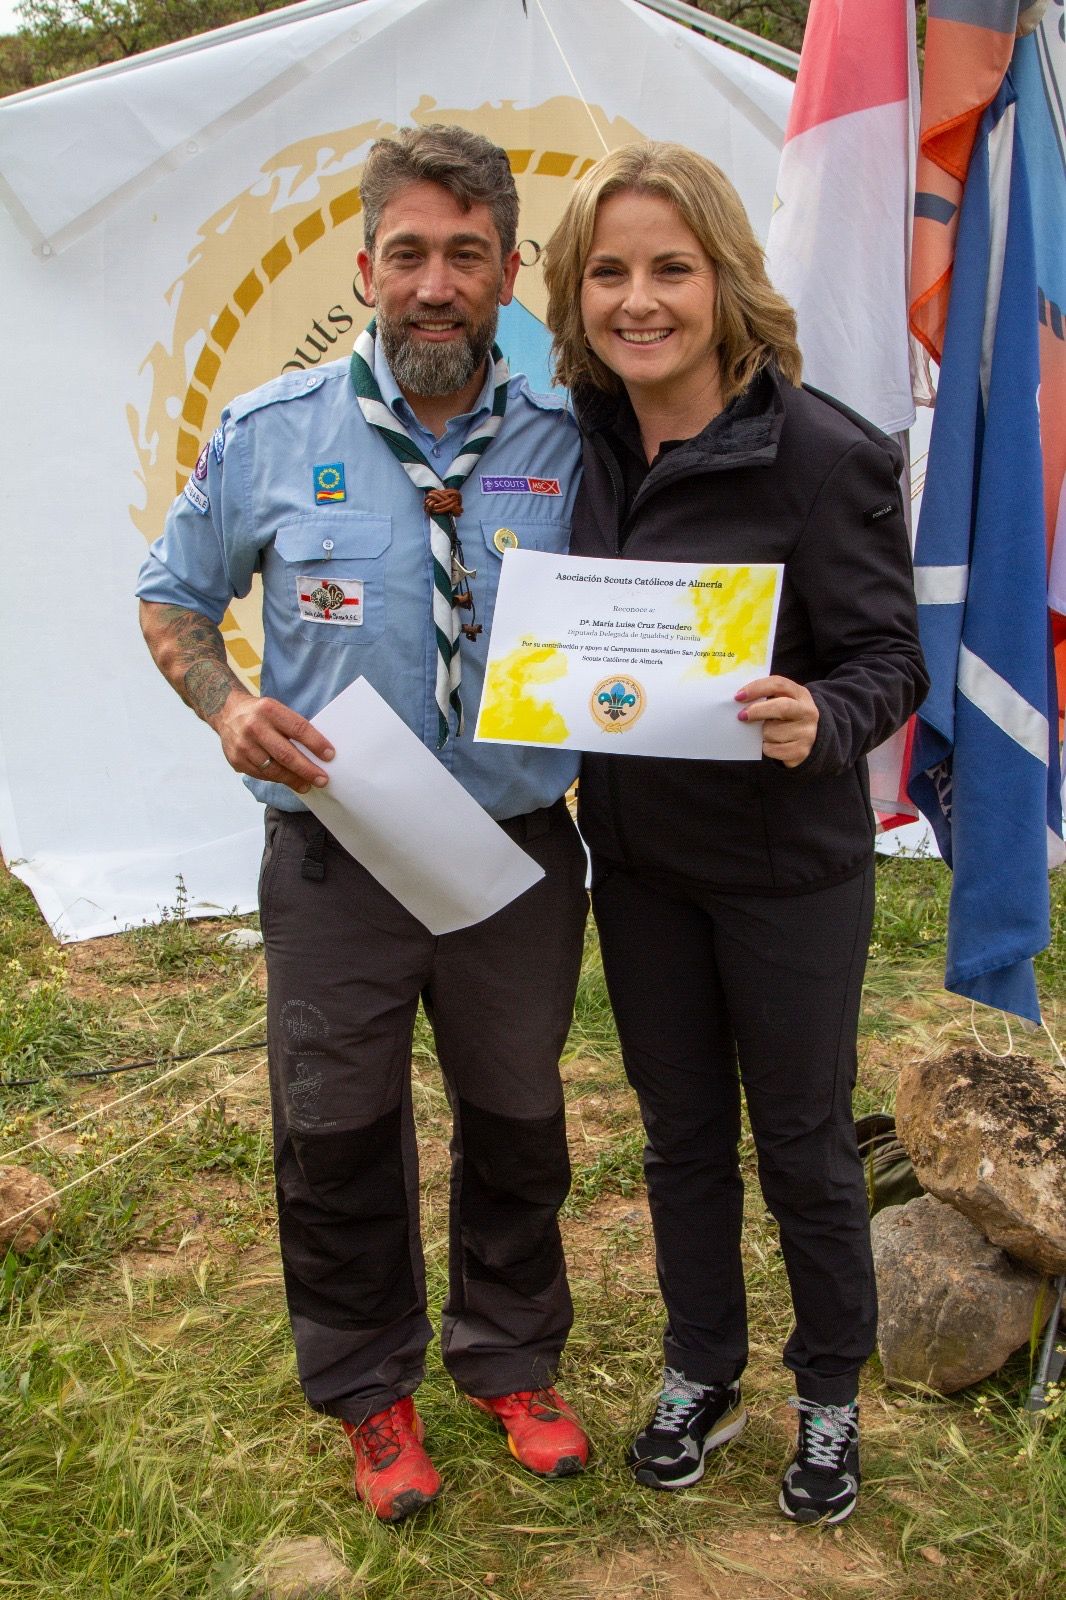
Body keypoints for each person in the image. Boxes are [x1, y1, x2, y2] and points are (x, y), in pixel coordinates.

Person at [137, 125, 591, 1523]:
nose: (436, 283)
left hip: (515, 855)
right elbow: (170, 597)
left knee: (517, 1119)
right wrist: (223, 703)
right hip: (335, 855)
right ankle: (370, 1387)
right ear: (367, 266)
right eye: (410, 253)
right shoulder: (273, 435)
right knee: (333, 1128)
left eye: (466, 254)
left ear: (508, 270)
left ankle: (508, 1355)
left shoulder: (580, 446)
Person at [542, 142, 928, 1525]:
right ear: (573, 290)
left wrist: (817, 713)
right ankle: (698, 1365)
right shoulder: (566, 437)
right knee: (679, 1134)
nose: (637, 300)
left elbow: (890, 656)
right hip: (638, 864)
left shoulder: (828, 454)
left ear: (722, 278)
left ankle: (829, 1388)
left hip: (785, 876)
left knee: (805, 1144)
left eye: (668, 269)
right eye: (608, 272)